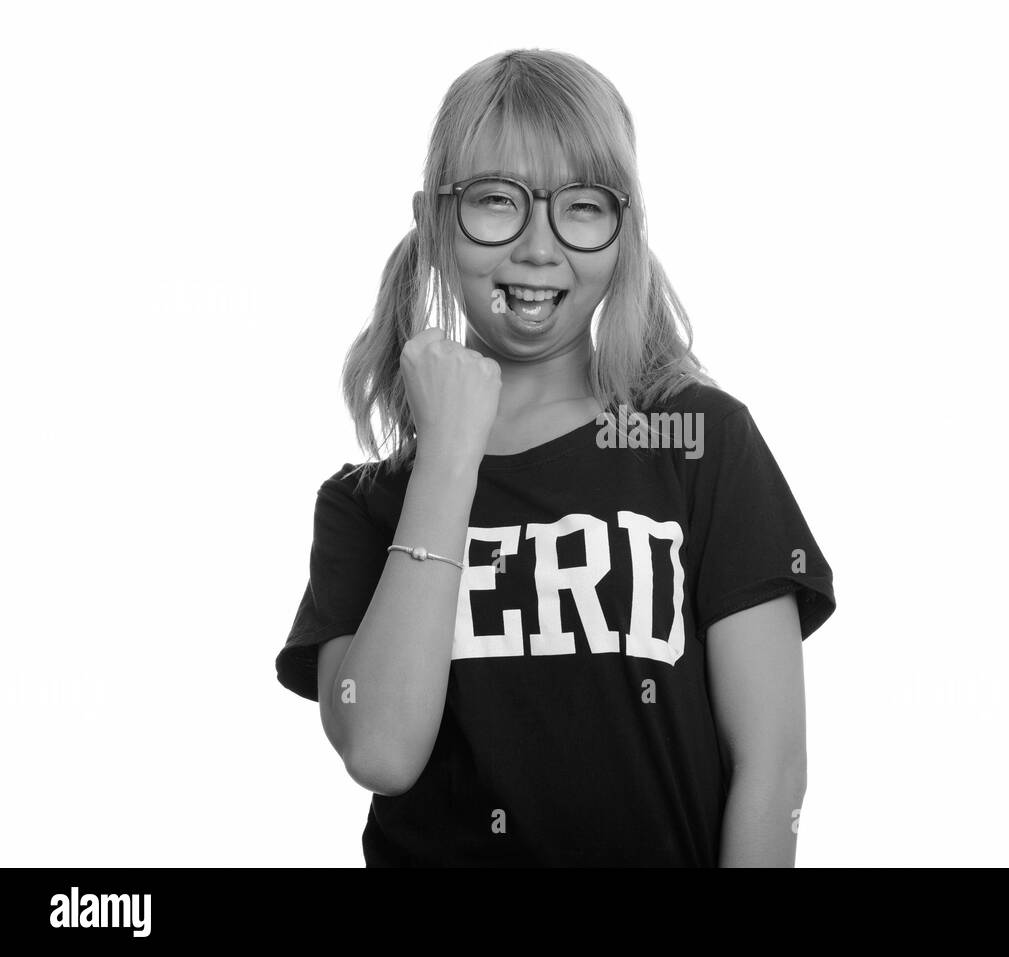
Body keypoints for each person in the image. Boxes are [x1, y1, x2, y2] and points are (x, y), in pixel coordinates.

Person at [275, 48, 836, 867]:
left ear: (624, 228)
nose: (540, 248)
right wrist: (448, 460)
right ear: (434, 222)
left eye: (581, 206)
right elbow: (382, 751)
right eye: (497, 202)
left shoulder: (698, 442)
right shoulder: (365, 504)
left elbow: (773, 766)